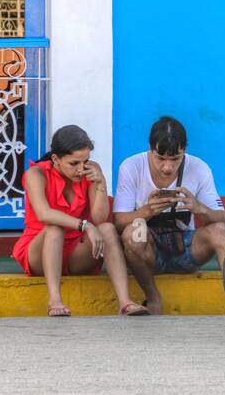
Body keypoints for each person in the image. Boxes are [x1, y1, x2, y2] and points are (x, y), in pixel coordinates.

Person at [114, 117, 225, 316]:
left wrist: (199, 208)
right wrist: (147, 211)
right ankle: (153, 296)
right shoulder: (131, 167)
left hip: (185, 249)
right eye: (160, 158)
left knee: (219, 231)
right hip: (148, 254)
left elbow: (222, 221)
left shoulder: (199, 168)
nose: (167, 167)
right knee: (134, 232)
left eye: (175, 159)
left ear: (184, 150)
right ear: (150, 148)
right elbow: (119, 222)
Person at [11, 125, 150, 317]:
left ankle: (125, 302)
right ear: (56, 159)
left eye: (85, 161)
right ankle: (55, 300)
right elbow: (44, 214)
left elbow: (100, 217)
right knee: (54, 228)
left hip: (75, 252)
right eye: (74, 163)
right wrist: (84, 225)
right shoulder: (36, 174)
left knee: (107, 229)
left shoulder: (90, 171)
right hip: (40, 251)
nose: (80, 169)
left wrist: (101, 182)